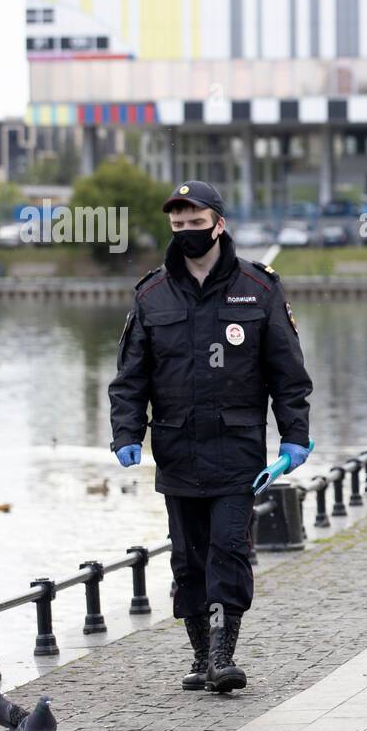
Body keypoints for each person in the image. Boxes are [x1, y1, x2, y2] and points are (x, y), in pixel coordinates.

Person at [109, 180, 314, 693]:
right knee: (188, 558)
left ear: (219, 224)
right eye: (178, 226)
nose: (187, 233)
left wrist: (295, 437)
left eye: (196, 224)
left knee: (227, 550)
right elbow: (130, 376)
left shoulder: (258, 288)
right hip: (177, 452)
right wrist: (126, 431)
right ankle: (200, 655)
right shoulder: (153, 294)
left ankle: (224, 654)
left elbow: (287, 373)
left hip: (238, 450)